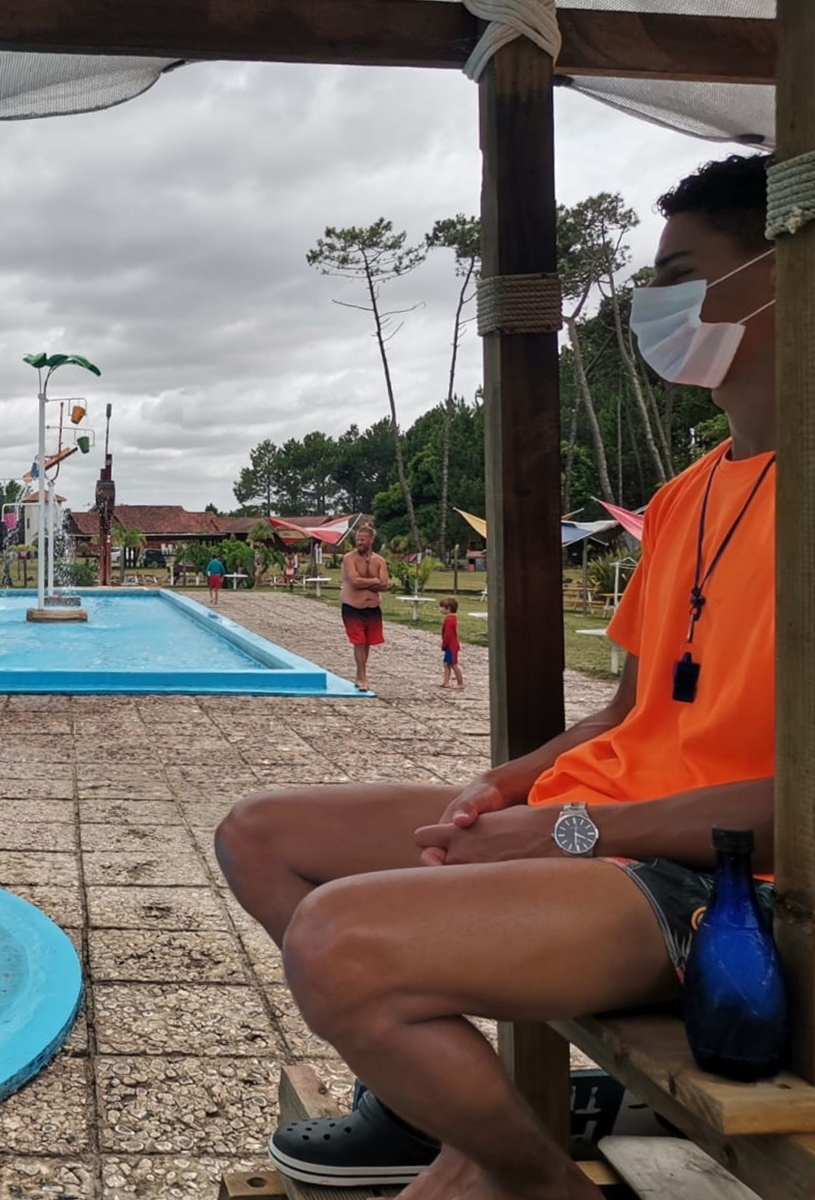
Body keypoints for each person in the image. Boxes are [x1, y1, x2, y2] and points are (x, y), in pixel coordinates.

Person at [216, 155, 777, 1200]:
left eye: (682, 274)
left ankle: (525, 1179)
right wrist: (509, 786)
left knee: (341, 945)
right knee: (261, 837)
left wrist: (575, 832)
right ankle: (433, 1107)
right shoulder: (694, 490)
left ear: (780, 275)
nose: (651, 306)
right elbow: (627, 710)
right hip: (601, 821)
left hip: (724, 888)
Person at [340, 524, 391, 691]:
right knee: (359, 641)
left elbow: (385, 584)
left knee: (367, 642)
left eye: (363, 539)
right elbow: (354, 580)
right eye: (358, 539)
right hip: (353, 607)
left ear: (371, 540)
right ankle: (363, 677)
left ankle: (360, 674)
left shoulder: (379, 561)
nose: (359, 542)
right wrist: (375, 581)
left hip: (373, 608)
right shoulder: (350, 558)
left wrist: (370, 583)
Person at [438, 595, 464, 690]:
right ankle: (446, 682)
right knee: (446, 663)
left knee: (453, 664)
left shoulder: (450, 620)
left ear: (448, 608)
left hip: (451, 646)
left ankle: (460, 683)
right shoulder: (451, 618)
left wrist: (444, 644)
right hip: (451, 645)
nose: (440, 609)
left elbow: (448, 635)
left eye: (442, 607)